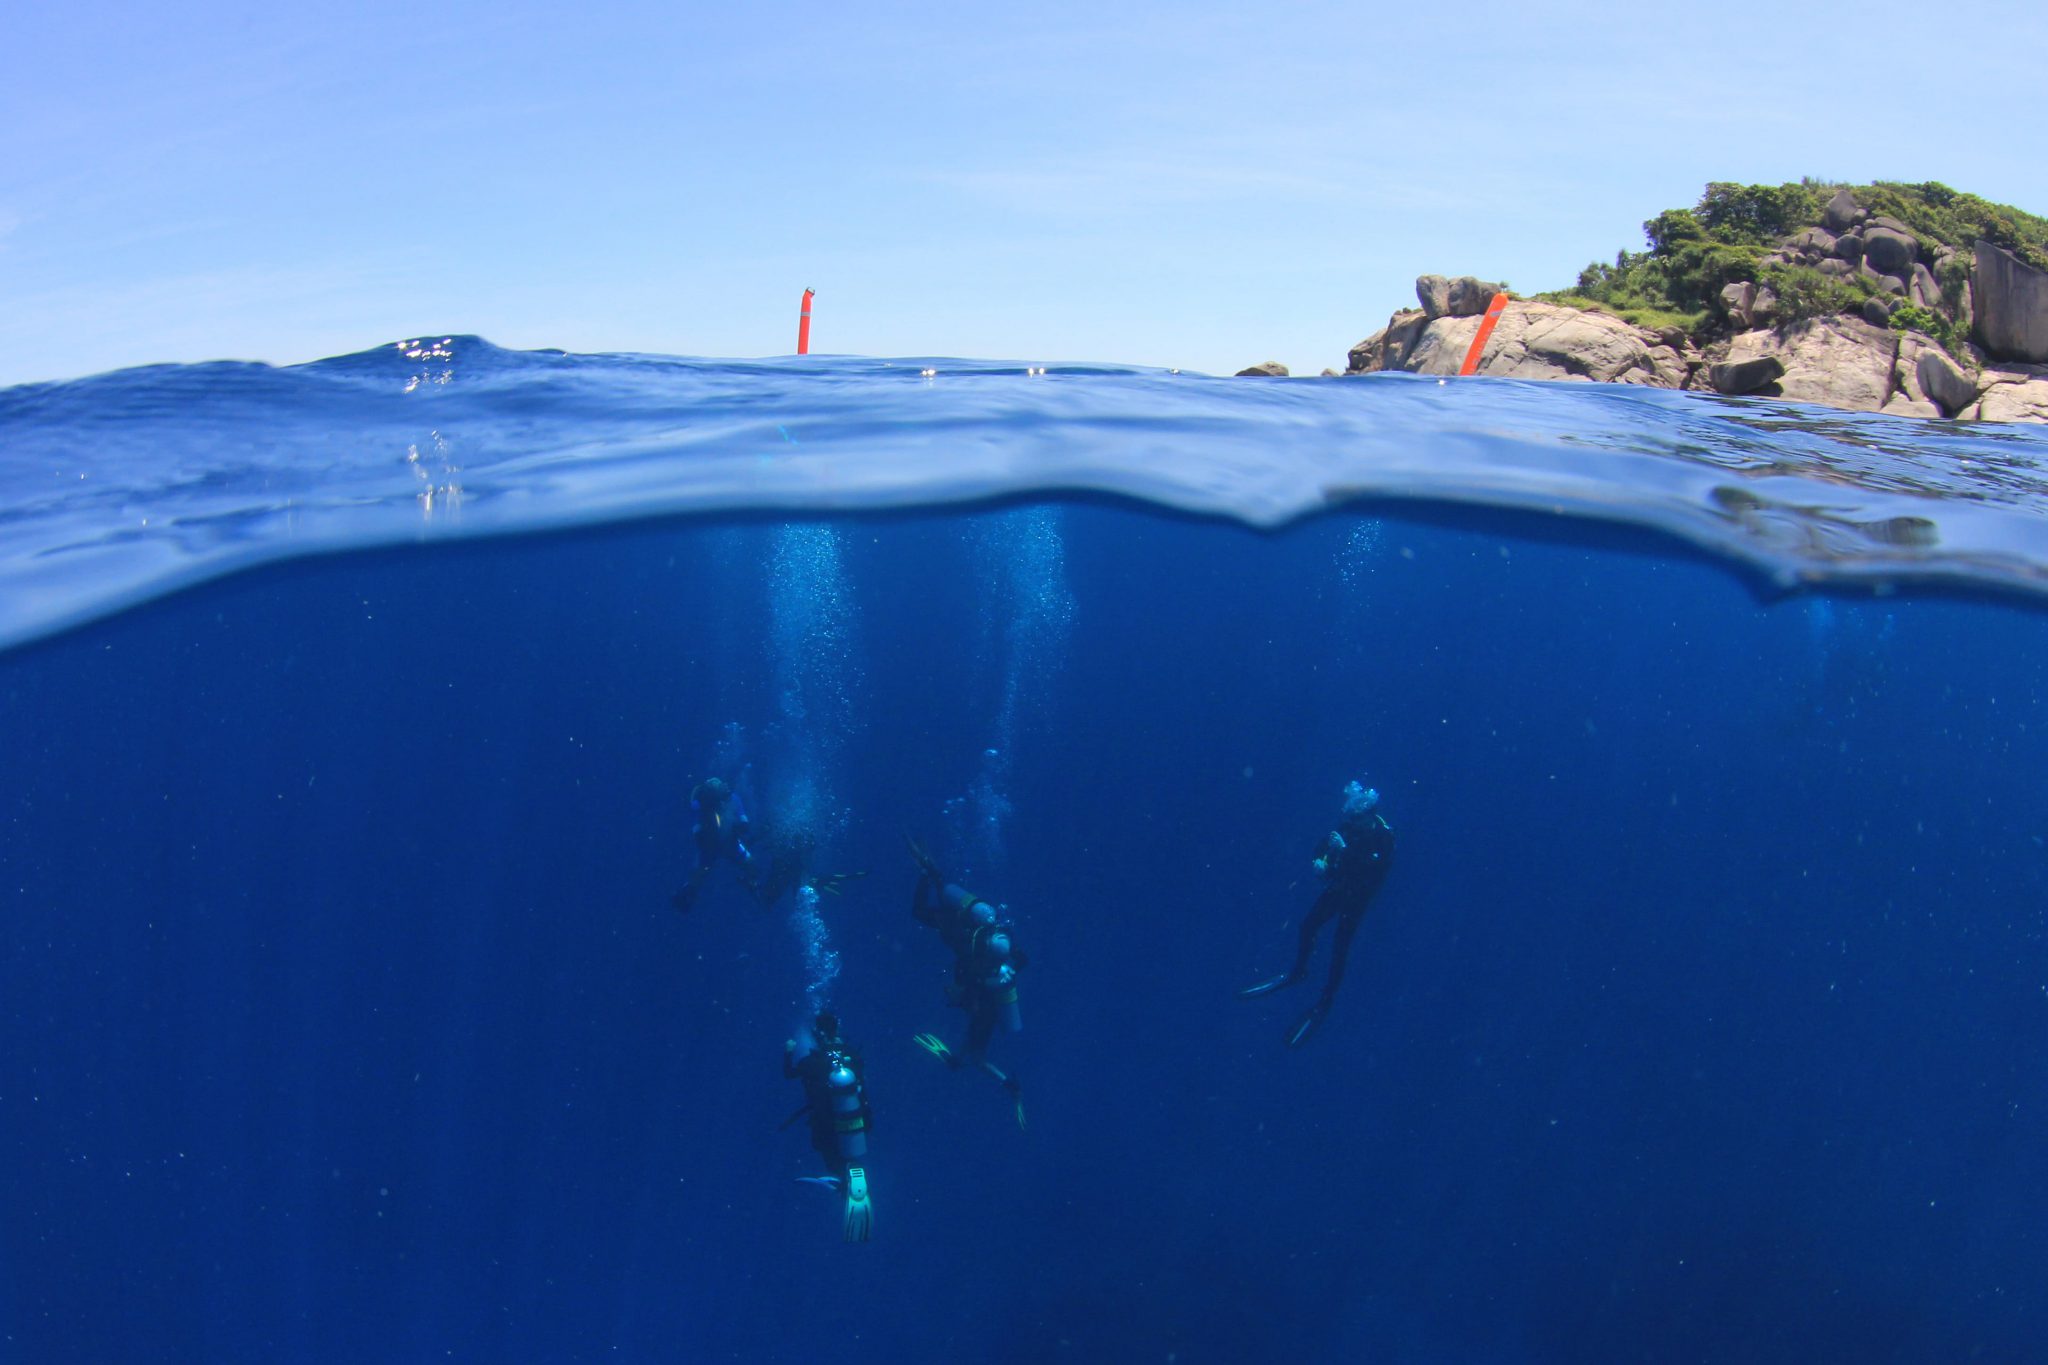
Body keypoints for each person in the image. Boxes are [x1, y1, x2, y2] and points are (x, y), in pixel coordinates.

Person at [1238, 780, 1395, 1047]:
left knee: (1340, 947)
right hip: (1340, 888)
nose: (1352, 822)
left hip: (1357, 898)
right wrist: (1320, 861)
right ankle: (1298, 972)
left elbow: (1370, 870)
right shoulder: (1349, 827)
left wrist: (1343, 852)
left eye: (1356, 818)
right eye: (1350, 817)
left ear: (1369, 815)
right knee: (1308, 925)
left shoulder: (1384, 836)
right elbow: (1323, 845)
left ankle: (1326, 999)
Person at [905, 837, 1026, 1129]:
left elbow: (974, 980)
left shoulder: (982, 940)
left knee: (930, 902)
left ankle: (930, 874)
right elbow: (1013, 963)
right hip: (963, 948)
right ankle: (929, 874)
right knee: (975, 1051)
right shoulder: (986, 954)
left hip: (957, 924)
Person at [782, 1010, 874, 1242]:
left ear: (817, 1034)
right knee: (849, 1153)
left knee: (832, 1159)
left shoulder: (811, 1061)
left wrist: (789, 1051)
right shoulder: (852, 1055)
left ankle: (842, 1182)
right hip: (857, 1120)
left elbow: (789, 1074)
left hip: (826, 1125)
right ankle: (852, 1173)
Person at [671, 777, 759, 912]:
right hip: (719, 844)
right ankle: (752, 884)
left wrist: (740, 826)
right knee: (748, 864)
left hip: (720, 844)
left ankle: (685, 895)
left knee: (701, 873)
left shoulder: (731, 799)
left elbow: (742, 819)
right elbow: (742, 820)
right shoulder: (708, 803)